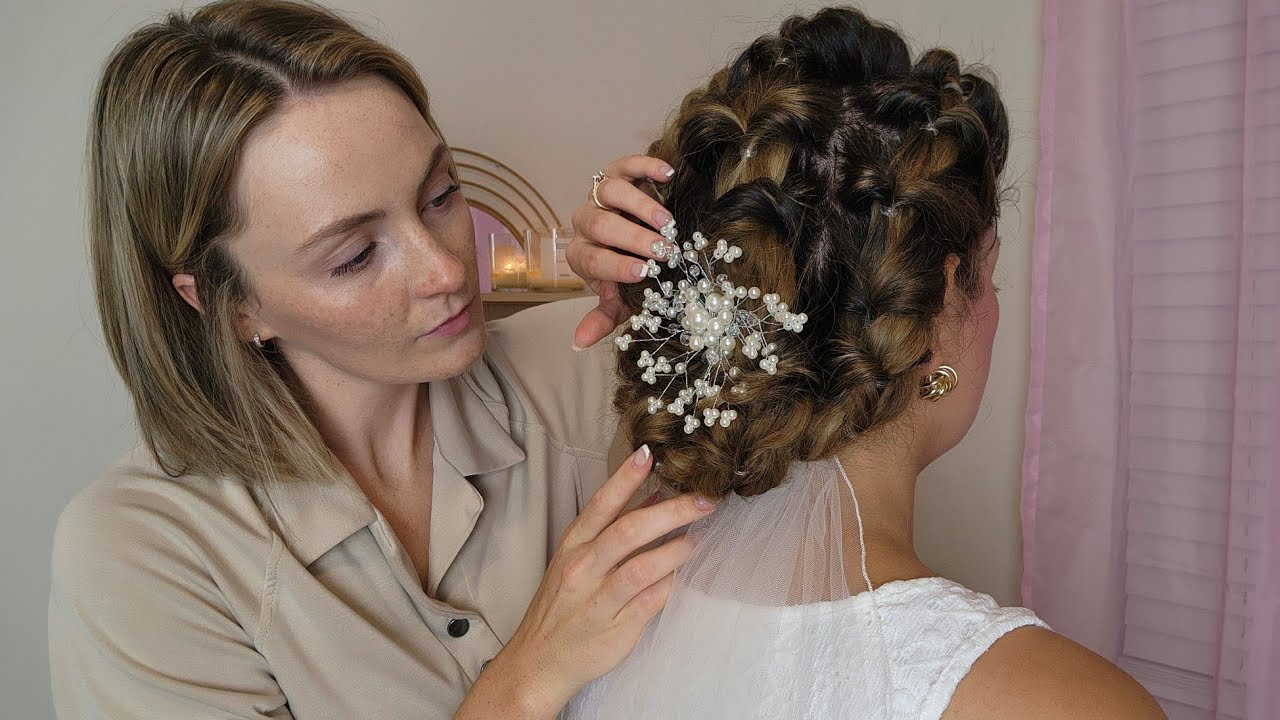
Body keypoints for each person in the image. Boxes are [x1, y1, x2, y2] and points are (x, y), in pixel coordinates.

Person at [48, 1, 711, 717]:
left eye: (441, 195)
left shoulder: (587, 366)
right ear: (229, 304)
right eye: (356, 255)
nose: (448, 270)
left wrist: (689, 260)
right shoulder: (143, 554)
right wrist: (531, 675)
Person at [560, 8, 1167, 719]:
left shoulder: (602, 612)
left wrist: (663, 305)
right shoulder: (1064, 703)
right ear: (940, 305)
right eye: (989, 277)